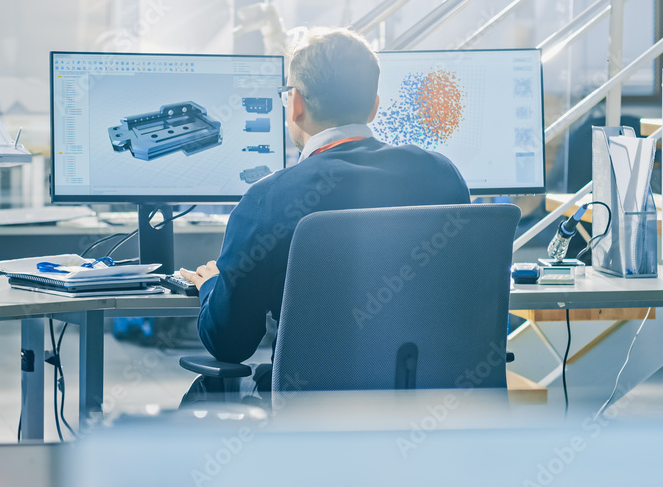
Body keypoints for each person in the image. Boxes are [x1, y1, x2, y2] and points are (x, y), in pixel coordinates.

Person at [178, 27, 471, 405]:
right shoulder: (442, 177)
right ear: (374, 107)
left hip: (310, 416)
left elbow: (230, 343)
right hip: (433, 408)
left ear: (296, 104)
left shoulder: (268, 199)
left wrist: (211, 288)